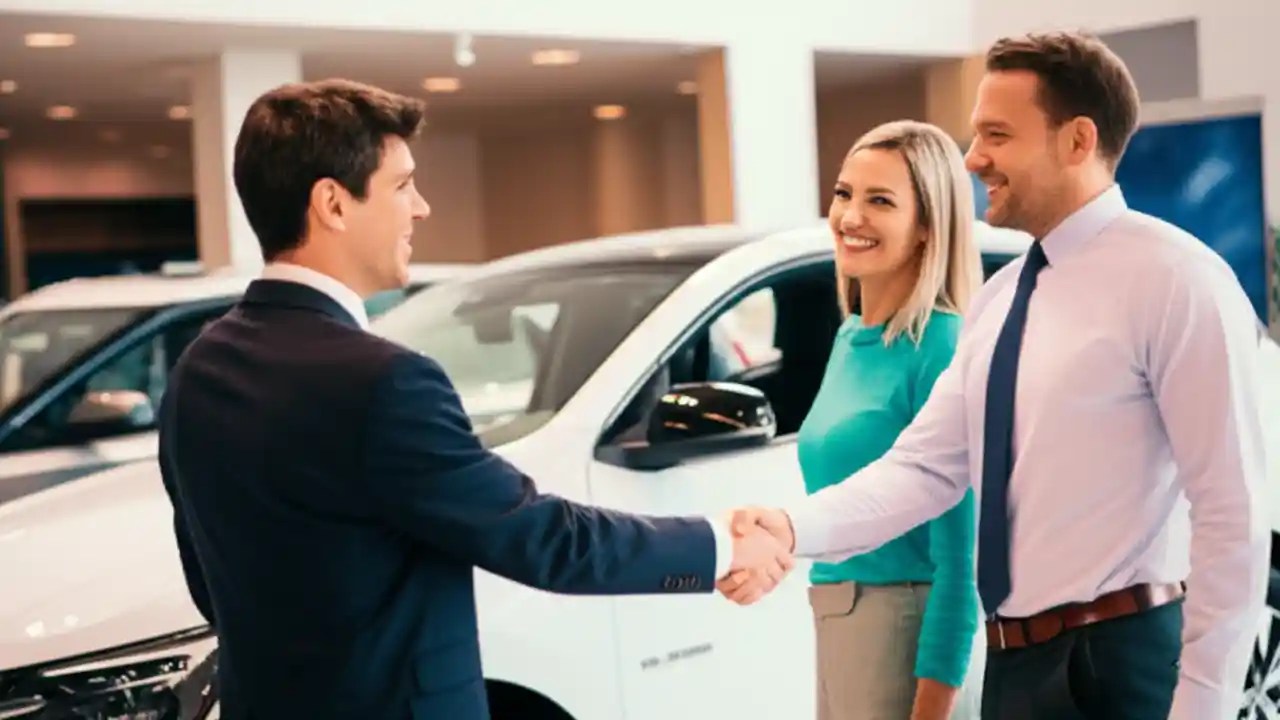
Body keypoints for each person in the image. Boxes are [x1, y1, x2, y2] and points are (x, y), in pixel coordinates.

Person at [155, 78, 792, 720]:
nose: (422, 208)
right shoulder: (383, 381)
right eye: (402, 185)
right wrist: (721, 546)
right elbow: (542, 537)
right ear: (333, 204)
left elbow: (210, 583)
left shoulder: (198, 370)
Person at [723, 31, 1268, 720]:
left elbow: (1233, 514)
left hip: (1119, 664)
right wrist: (788, 527)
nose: (973, 157)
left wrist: (1205, 706)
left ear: (1077, 141)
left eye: (997, 135)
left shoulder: (1176, 279)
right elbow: (921, 471)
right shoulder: (999, 299)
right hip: (1012, 665)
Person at [728, 120, 986, 719]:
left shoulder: (942, 345)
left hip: (904, 630)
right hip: (838, 616)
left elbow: (962, 559)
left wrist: (935, 704)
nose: (850, 216)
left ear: (928, 227)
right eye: (844, 193)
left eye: (880, 201)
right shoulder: (852, 336)